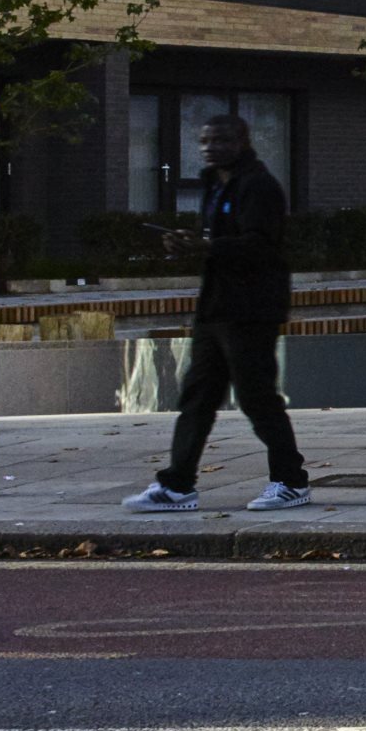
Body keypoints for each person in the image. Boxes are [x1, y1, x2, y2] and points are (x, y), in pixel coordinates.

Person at [123, 107, 310, 514]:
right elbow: (218, 242)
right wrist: (187, 244)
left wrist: (205, 246)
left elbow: (261, 246)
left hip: (251, 309)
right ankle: (177, 486)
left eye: (221, 140)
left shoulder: (259, 187)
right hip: (215, 307)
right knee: (198, 396)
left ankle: (291, 481)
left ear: (243, 143)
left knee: (257, 397)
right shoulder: (214, 185)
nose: (210, 148)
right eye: (205, 141)